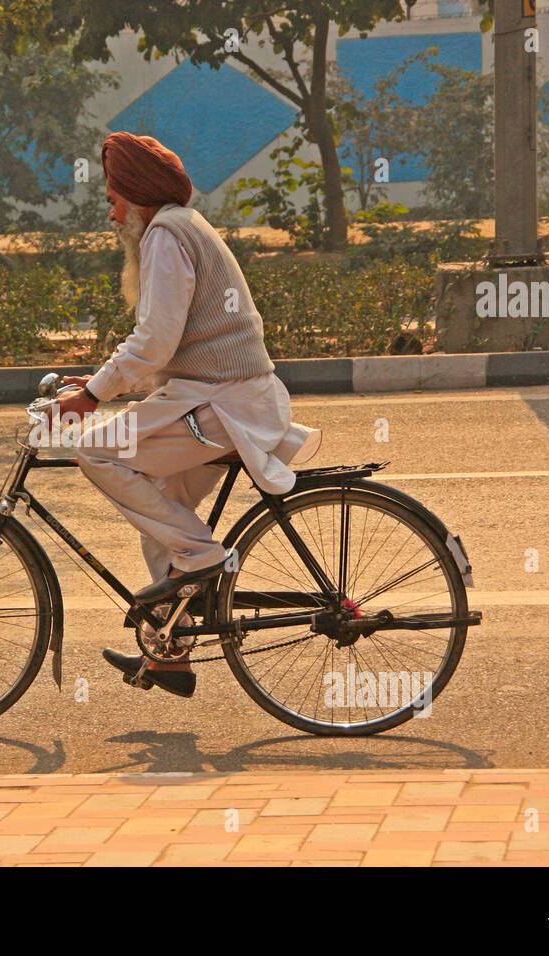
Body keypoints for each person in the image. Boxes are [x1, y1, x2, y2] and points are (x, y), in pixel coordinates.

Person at [52, 131, 322, 700]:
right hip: (223, 399)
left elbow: (155, 339)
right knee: (162, 510)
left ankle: (203, 558)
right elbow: (169, 346)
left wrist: (93, 397)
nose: (110, 211)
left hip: (222, 404)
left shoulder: (165, 235)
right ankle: (169, 649)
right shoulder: (182, 226)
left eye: (113, 197)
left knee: (96, 450)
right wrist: (101, 382)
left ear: (135, 192)